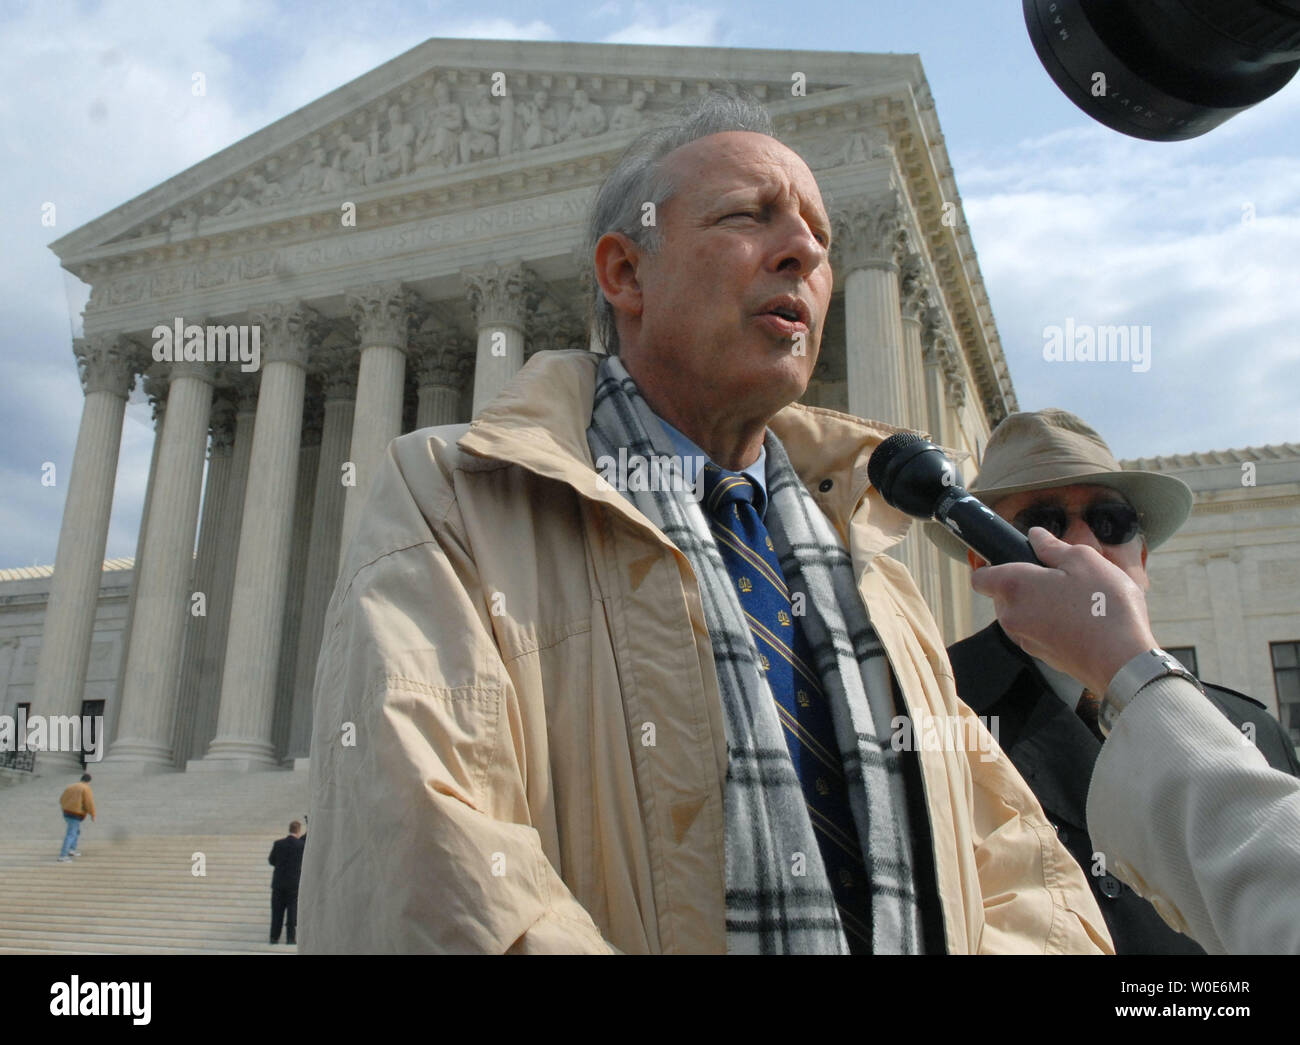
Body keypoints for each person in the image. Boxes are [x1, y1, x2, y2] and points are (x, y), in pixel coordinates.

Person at [299, 91, 1112, 955]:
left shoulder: (875, 566)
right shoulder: (456, 498)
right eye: (748, 216)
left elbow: (1010, 864)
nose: (801, 250)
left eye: (823, 240)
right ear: (624, 273)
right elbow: (441, 862)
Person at [933, 408, 1300, 953]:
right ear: (980, 561)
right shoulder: (932, 705)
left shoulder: (1249, 729)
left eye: (1111, 522)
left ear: (1142, 558)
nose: (1085, 546)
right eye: (1045, 523)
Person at [268, 820, 306, 945]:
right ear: (298, 830)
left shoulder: (278, 844)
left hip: (278, 883)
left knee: (277, 912)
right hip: (294, 884)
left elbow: (272, 860)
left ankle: (274, 937)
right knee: (292, 912)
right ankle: (290, 938)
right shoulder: (301, 845)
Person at [57, 772, 95, 862]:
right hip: (76, 813)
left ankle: (72, 849)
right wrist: (92, 813)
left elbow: (62, 799)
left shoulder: (71, 786)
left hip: (66, 812)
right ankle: (63, 855)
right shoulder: (86, 788)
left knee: (76, 831)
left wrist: (65, 807)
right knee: (71, 833)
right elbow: (89, 802)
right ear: (89, 781)